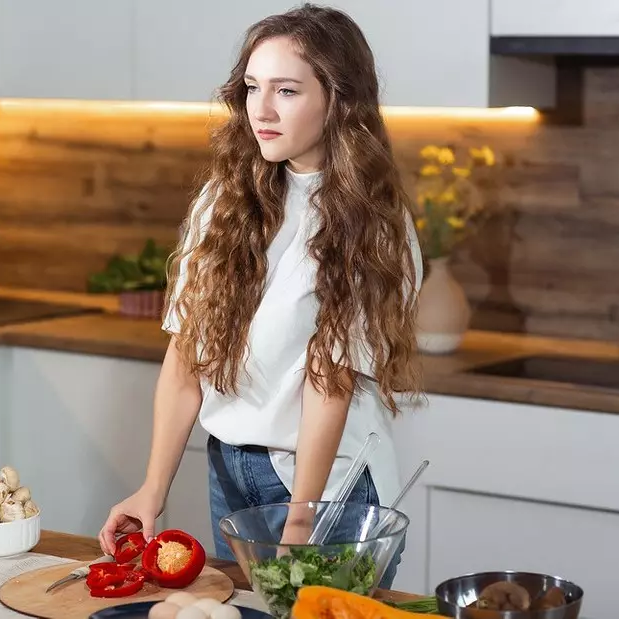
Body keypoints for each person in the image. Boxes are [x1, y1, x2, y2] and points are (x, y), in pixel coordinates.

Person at [98, 3, 423, 591]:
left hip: (325, 487)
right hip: (230, 469)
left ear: (339, 99)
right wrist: (153, 488)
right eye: (252, 87)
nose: (261, 110)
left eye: (287, 90)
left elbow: (331, 382)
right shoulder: (227, 198)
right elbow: (186, 355)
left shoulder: (371, 223)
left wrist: (302, 516)